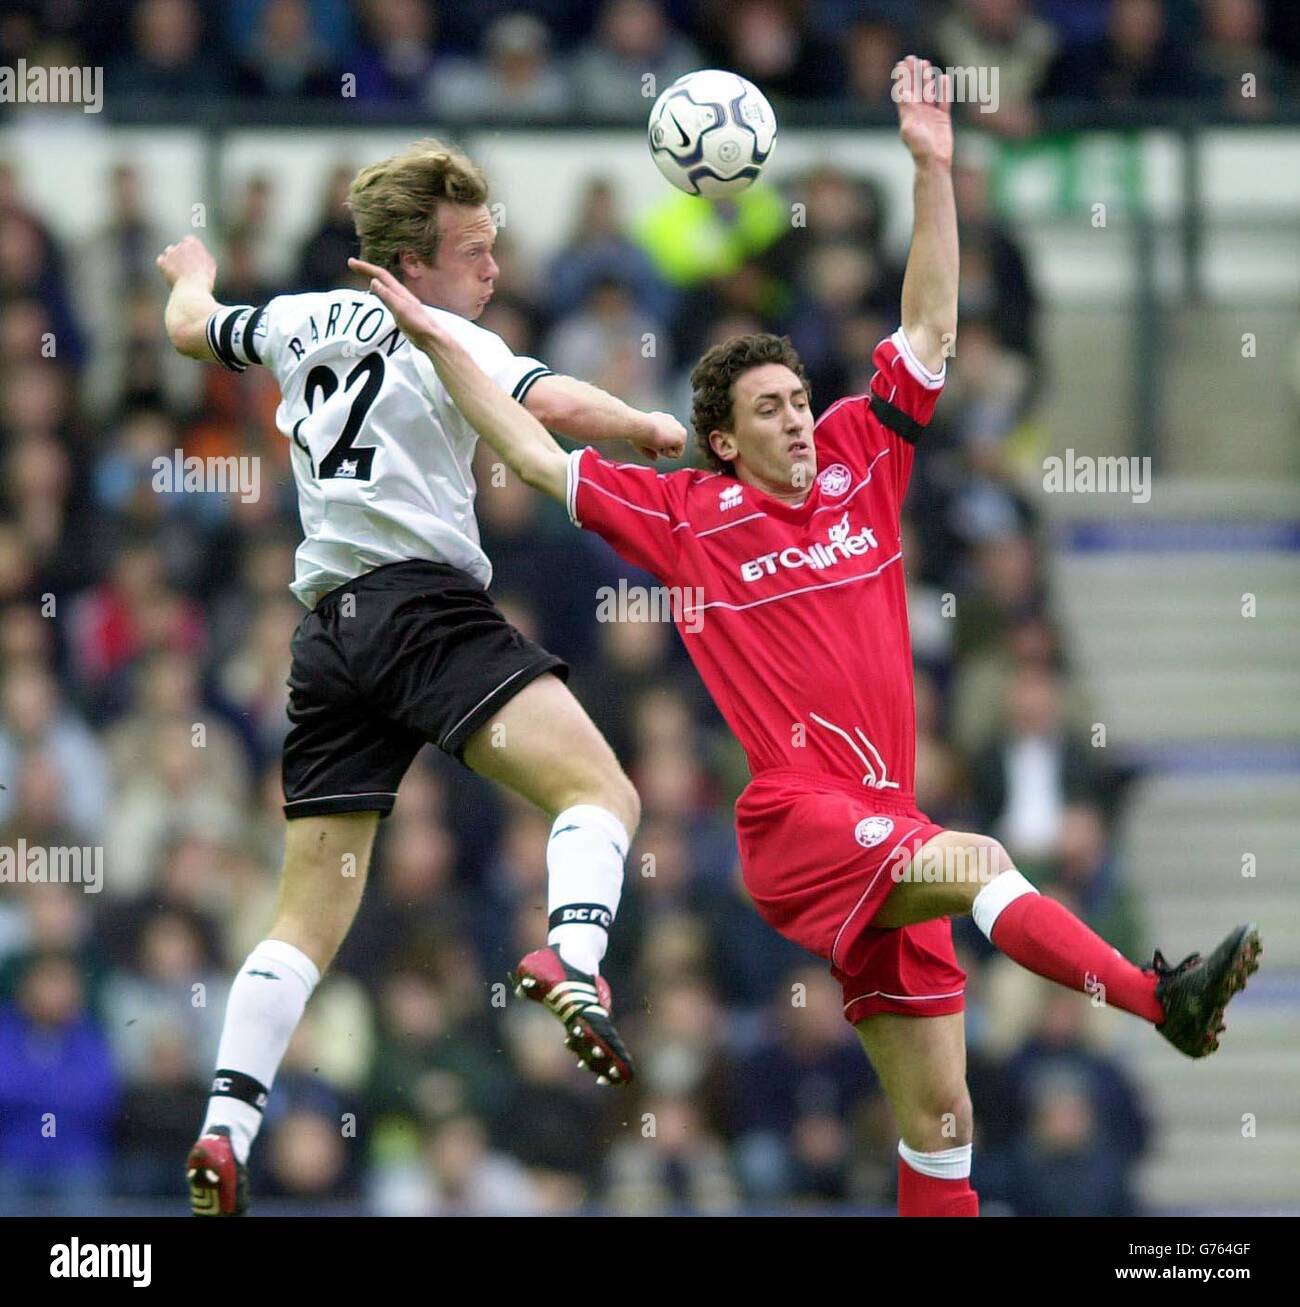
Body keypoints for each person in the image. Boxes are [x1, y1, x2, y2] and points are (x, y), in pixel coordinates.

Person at [353, 58, 1262, 1219]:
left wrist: (929, 166)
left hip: (888, 825)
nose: (797, 419)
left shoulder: (860, 461)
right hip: (798, 821)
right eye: (770, 409)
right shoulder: (688, 514)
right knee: (981, 860)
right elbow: (534, 455)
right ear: (724, 441)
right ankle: (1155, 997)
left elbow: (929, 324)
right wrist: (435, 338)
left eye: (797, 398)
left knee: (942, 1125)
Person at [157, 138, 686, 1216]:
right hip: (423, 610)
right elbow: (551, 402)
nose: (492, 269)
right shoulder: (446, 334)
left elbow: (190, 328)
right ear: (411, 261)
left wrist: (193, 272)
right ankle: (573, 955)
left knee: (306, 917)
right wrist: (646, 424)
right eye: (473, 251)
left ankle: (224, 1125)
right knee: (601, 791)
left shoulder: (298, 318)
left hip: (329, 633)